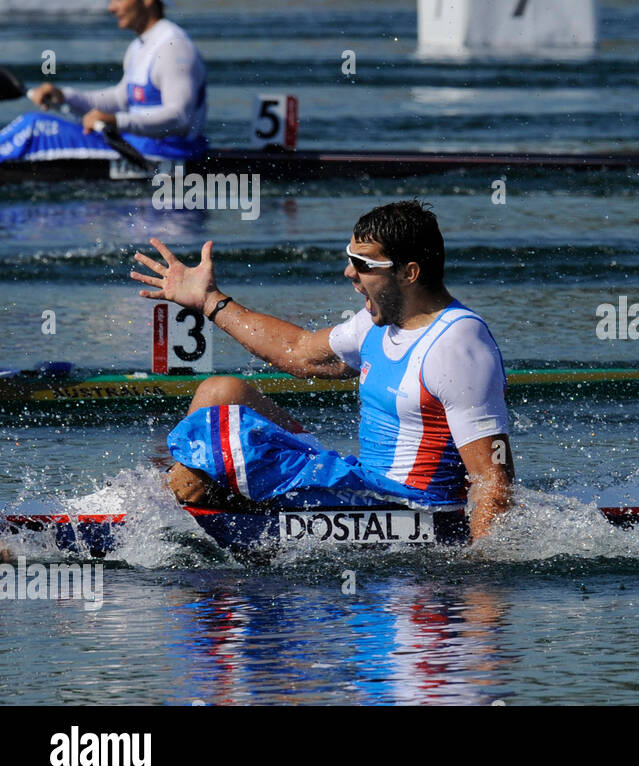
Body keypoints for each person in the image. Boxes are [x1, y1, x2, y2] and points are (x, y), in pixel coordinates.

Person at [130, 200, 514, 542]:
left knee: (224, 444)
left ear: (408, 273)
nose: (349, 272)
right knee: (222, 393)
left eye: (363, 264)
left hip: (414, 509)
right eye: (350, 258)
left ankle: (160, 517)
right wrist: (209, 301)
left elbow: (493, 482)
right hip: (365, 485)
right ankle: (178, 507)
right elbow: (299, 352)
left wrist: (478, 582)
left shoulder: (458, 346)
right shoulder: (377, 323)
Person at [0, 0, 207, 163]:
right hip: (135, 144)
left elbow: (180, 117)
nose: (111, 8)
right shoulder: (139, 46)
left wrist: (117, 121)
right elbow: (119, 100)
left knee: (35, 126)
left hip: (167, 152)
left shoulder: (173, 47)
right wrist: (65, 97)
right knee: (35, 124)